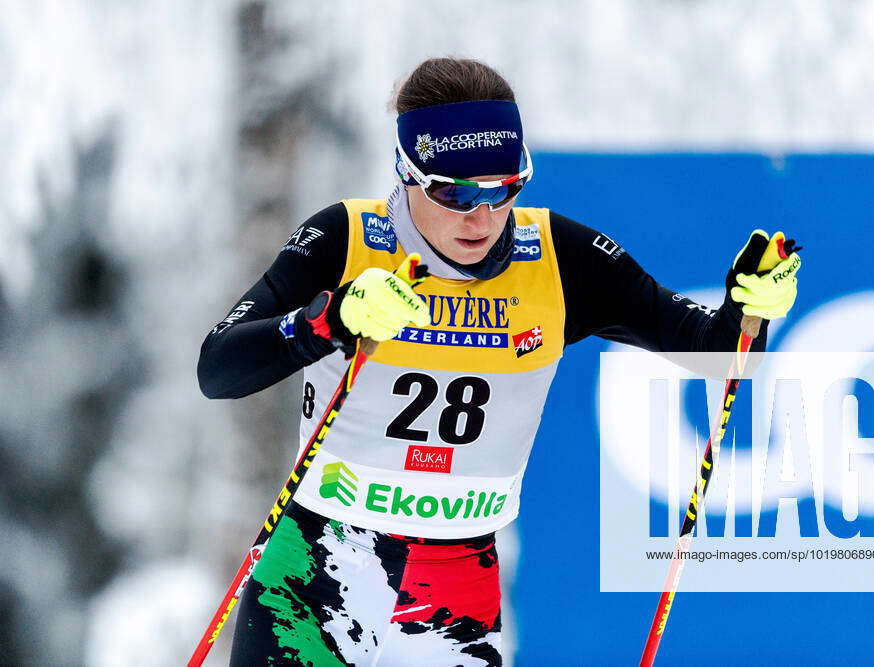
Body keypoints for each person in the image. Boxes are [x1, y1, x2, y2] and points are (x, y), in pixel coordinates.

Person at [198, 57, 800, 667]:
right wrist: (328, 321)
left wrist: (749, 309)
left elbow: (721, 354)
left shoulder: (562, 257)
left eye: (503, 189)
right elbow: (218, 367)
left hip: (453, 586)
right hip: (320, 567)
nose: (480, 217)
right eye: (456, 193)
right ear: (407, 172)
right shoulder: (346, 238)